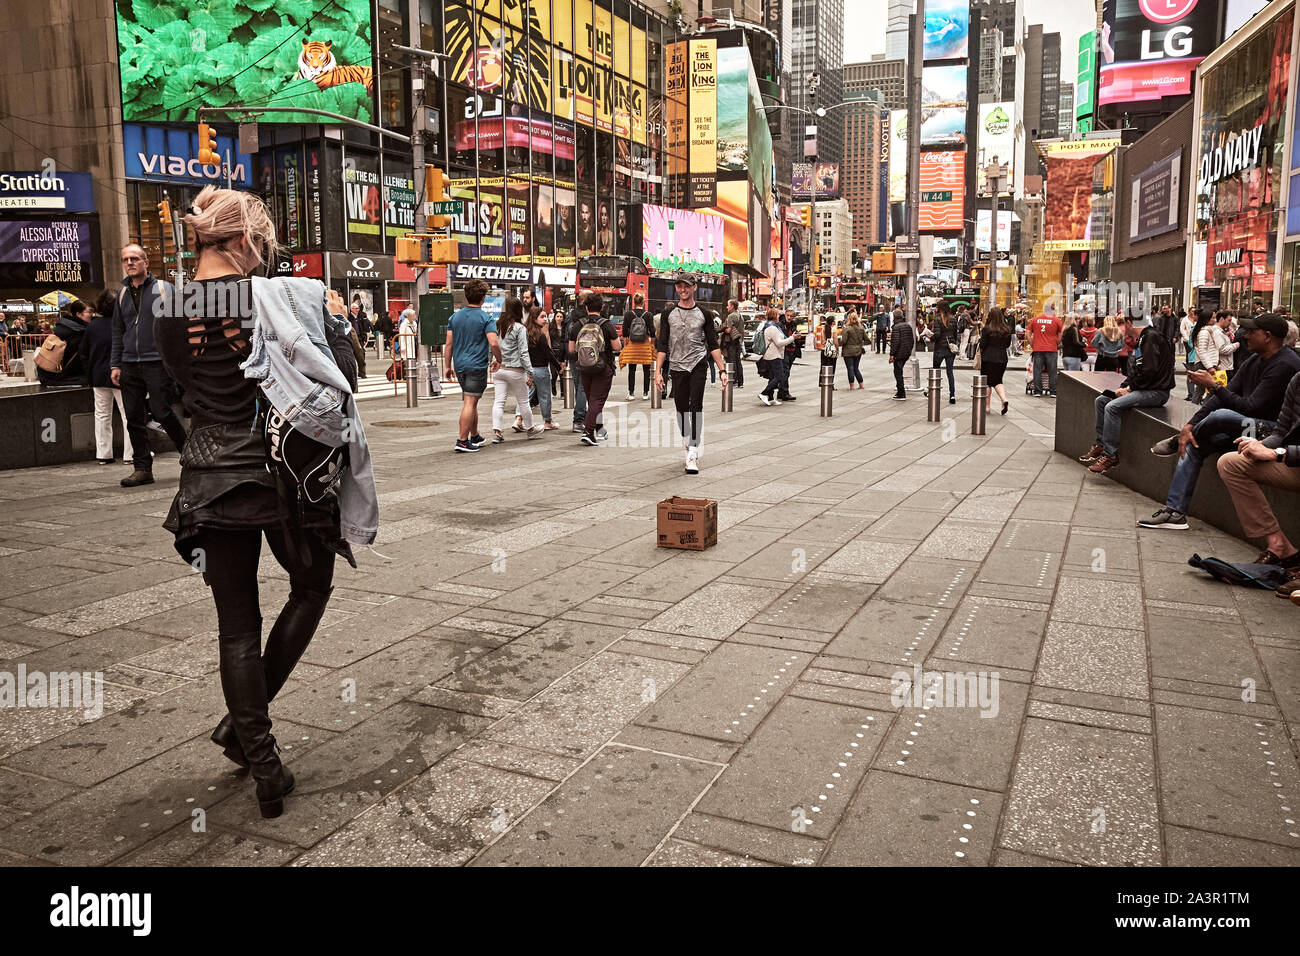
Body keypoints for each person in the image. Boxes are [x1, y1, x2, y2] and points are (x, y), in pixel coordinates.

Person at [157, 186, 375, 819]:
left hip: (205, 475)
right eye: (262, 239)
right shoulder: (281, 297)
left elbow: (173, 387)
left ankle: (262, 760)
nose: (264, 251)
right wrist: (334, 319)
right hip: (277, 476)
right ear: (243, 238)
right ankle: (241, 736)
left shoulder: (167, 304)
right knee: (311, 587)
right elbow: (340, 375)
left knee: (237, 625)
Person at [1139, 313, 1300, 529]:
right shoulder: (1255, 359)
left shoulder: (1286, 364)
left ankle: (1179, 439)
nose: (1245, 336)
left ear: (1268, 336)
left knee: (1222, 415)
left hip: (1269, 434)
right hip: (1245, 429)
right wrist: (1189, 426)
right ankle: (1175, 512)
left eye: (1252, 331)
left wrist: (1214, 385)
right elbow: (1224, 397)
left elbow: (1251, 406)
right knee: (1195, 445)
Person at [1217, 369, 1300, 600]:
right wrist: (1260, 445)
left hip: (1289, 457)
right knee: (1231, 463)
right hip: (1292, 461)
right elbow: (1282, 429)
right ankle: (1280, 546)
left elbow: (1280, 448)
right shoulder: (1297, 379)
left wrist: (1277, 453)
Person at [112, 244, 187, 487]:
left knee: (162, 411)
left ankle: (189, 455)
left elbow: (178, 327)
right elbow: (117, 331)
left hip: (157, 362)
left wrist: (175, 361)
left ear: (146, 262)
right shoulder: (122, 294)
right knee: (133, 417)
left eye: (135, 258)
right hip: (129, 364)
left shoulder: (165, 290)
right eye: (126, 259)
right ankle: (142, 468)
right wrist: (115, 364)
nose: (130, 263)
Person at [1079, 313, 1175, 475]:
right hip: (1144, 388)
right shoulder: (1144, 339)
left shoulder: (1150, 338)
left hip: (1156, 392)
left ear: (1131, 323)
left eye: (1124, 324)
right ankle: (1101, 444)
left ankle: (1111, 455)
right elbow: (1137, 370)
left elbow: (1149, 370)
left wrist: (1129, 389)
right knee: (1101, 400)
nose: (1122, 329)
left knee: (1112, 407)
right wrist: (1124, 386)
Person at [654, 274, 725, 473]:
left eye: (686, 286)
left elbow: (713, 343)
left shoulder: (704, 314)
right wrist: (658, 371)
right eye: (679, 286)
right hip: (676, 367)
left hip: (697, 365)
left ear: (694, 288)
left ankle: (693, 451)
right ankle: (687, 439)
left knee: (696, 406)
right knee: (681, 408)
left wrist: (722, 369)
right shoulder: (668, 314)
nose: (683, 290)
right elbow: (663, 344)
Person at [444, 278, 502, 453]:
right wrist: (499, 359)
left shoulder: (455, 317)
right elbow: (493, 343)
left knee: (471, 401)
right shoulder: (486, 318)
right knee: (470, 402)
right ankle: (462, 440)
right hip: (476, 365)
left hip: (460, 365)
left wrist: (447, 366)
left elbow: (448, 344)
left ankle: (474, 435)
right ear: (483, 298)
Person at [85, 290, 134, 465]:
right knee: (128, 415)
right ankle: (131, 454)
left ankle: (104, 454)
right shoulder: (125, 324)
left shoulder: (93, 325)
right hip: (122, 374)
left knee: (102, 415)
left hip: (98, 375)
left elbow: (85, 352)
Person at [490, 296, 544, 443]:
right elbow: (523, 352)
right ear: (518, 310)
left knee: (499, 401)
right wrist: (530, 372)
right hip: (516, 370)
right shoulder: (520, 328)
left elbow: (492, 346)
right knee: (523, 401)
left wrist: (494, 361)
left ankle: (497, 431)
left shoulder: (497, 326)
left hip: (499, 369)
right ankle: (530, 429)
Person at [570, 292, 621, 446]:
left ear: (586, 307)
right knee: (597, 400)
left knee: (592, 399)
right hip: (603, 367)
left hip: (584, 368)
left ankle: (599, 429)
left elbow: (572, 349)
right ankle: (588, 432)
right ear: (602, 306)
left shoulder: (578, 324)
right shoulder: (606, 324)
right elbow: (617, 346)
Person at [35, 299, 91, 388]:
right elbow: (80, 359)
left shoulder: (63, 325)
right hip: (58, 377)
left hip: (46, 373)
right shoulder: (77, 331)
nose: (92, 314)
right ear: (78, 314)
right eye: (89, 312)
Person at [524, 305, 559, 430]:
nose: (545, 319)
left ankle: (518, 419)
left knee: (526, 396)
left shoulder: (525, 334)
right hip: (541, 370)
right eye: (542, 317)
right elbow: (548, 353)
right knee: (545, 396)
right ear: (534, 318)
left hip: (528, 369)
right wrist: (558, 366)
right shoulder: (540, 336)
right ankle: (548, 422)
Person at [619, 292, 656, 400]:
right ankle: (645, 393)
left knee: (632, 370)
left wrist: (626, 343)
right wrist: (652, 343)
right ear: (643, 302)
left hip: (633, 345)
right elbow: (652, 331)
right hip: (644, 345)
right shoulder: (648, 315)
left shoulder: (628, 314)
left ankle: (631, 393)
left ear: (634, 303)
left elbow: (625, 330)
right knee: (646, 370)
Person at [979, 307, 1013, 415]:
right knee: (998, 380)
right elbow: (1007, 345)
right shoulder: (1007, 329)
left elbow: (982, 344)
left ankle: (987, 406)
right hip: (1002, 358)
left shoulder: (987, 329)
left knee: (987, 383)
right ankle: (1004, 399)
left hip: (988, 358)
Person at [757, 308, 795, 407]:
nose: (779, 316)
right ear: (774, 316)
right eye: (777, 315)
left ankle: (770, 398)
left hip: (773, 355)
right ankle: (764, 393)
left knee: (773, 377)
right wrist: (792, 338)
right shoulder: (772, 328)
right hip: (774, 355)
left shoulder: (771, 326)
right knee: (779, 377)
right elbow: (779, 343)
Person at [929, 302, 964, 405]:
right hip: (950, 349)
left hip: (939, 348)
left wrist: (930, 337)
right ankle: (952, 394)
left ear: (940, 309)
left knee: (935, 371)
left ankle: (932, 392)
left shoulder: (938, 319)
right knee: (950, 372)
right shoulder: (953, 318)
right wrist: (954, 344)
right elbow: (955, 334)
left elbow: (937, 334)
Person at [1028, 301, 1062, 396]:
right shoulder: (1057, 321)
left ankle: (1038, 391)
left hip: (1038, 348)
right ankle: (1053, 391)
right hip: (1051, 349)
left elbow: (1028, 333)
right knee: (1052, 371)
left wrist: (1032, 344)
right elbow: (1060, 335)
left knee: (1037, 370)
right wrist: (1056, 343)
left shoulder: (1035, 319)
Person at [888, 307, 915, 400]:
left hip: (899, 353)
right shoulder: (907, 326)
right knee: (899, 371)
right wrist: (909, 350)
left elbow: (895, 342)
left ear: (894, 317)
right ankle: (900, 391)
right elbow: (912, 340)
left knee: (898, 372)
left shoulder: (896, 327)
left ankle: (901, 392)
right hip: (906, 352)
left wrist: (892, 354)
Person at [839, 311, 868, 389]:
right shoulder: (861, 328)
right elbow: (866, 339)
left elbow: (843, 341)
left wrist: (839, 342)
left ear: (849, 319)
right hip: (858, 351)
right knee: (856, 368)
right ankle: (861, 385)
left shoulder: (847, 329)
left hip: (848, 351)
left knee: (850, 368)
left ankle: (852, 386)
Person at [722, 298, 745, 389]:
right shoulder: (740, 316)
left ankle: (734, 380)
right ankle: (740, 381)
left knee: (731, 361)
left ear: (732, 306)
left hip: (731, 341)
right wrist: (741, 341)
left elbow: (728, 330)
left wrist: (723, 329)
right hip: (738, 341)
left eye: (728, 305)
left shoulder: (731, 316)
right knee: (738, 361)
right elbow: (742, 331)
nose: (727, 307)